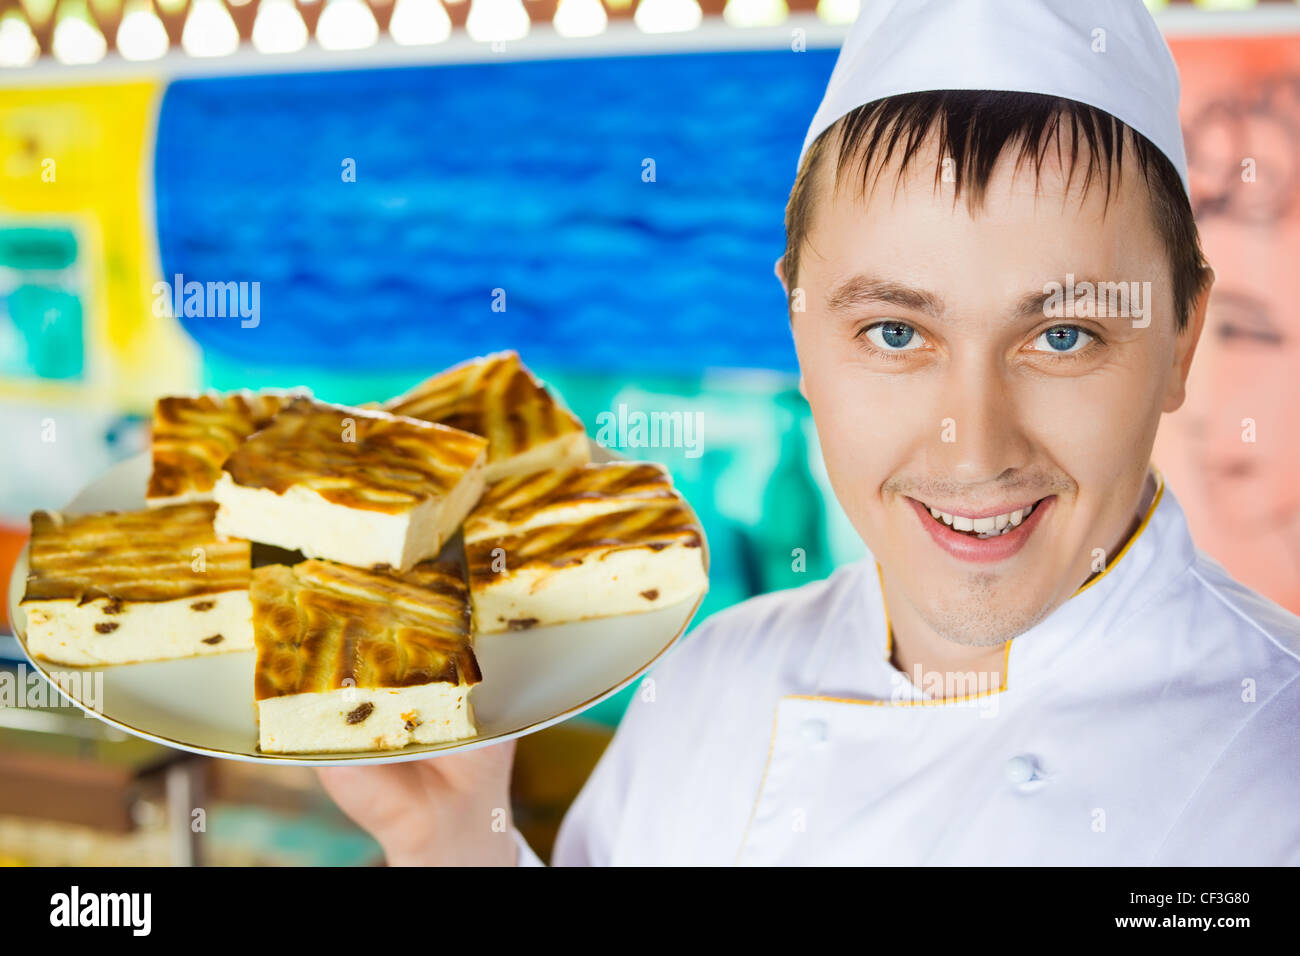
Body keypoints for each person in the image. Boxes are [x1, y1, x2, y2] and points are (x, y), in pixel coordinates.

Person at [317, 0, 1300, 865]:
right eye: (894, 331)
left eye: (1061, 334)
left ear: (1180, 340)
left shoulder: (1274, 767)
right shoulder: (713, 677)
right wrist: (449, 843)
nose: (972, 449)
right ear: (798, 329)